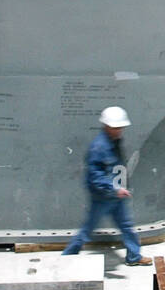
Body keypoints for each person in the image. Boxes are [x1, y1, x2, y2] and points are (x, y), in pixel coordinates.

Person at [61, 106, 155, 267]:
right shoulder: (99, 147)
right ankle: (66, 257)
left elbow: (116, 167)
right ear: (107, 126)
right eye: (116, 128)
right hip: (102, 197)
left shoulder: (114, 142)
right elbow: (95, 176)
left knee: (127, 227)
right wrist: (114, 188)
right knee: (87, 230)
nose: (119, 131)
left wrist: (119, 187)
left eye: (121, 128)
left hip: (115, 195)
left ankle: (134, 256)